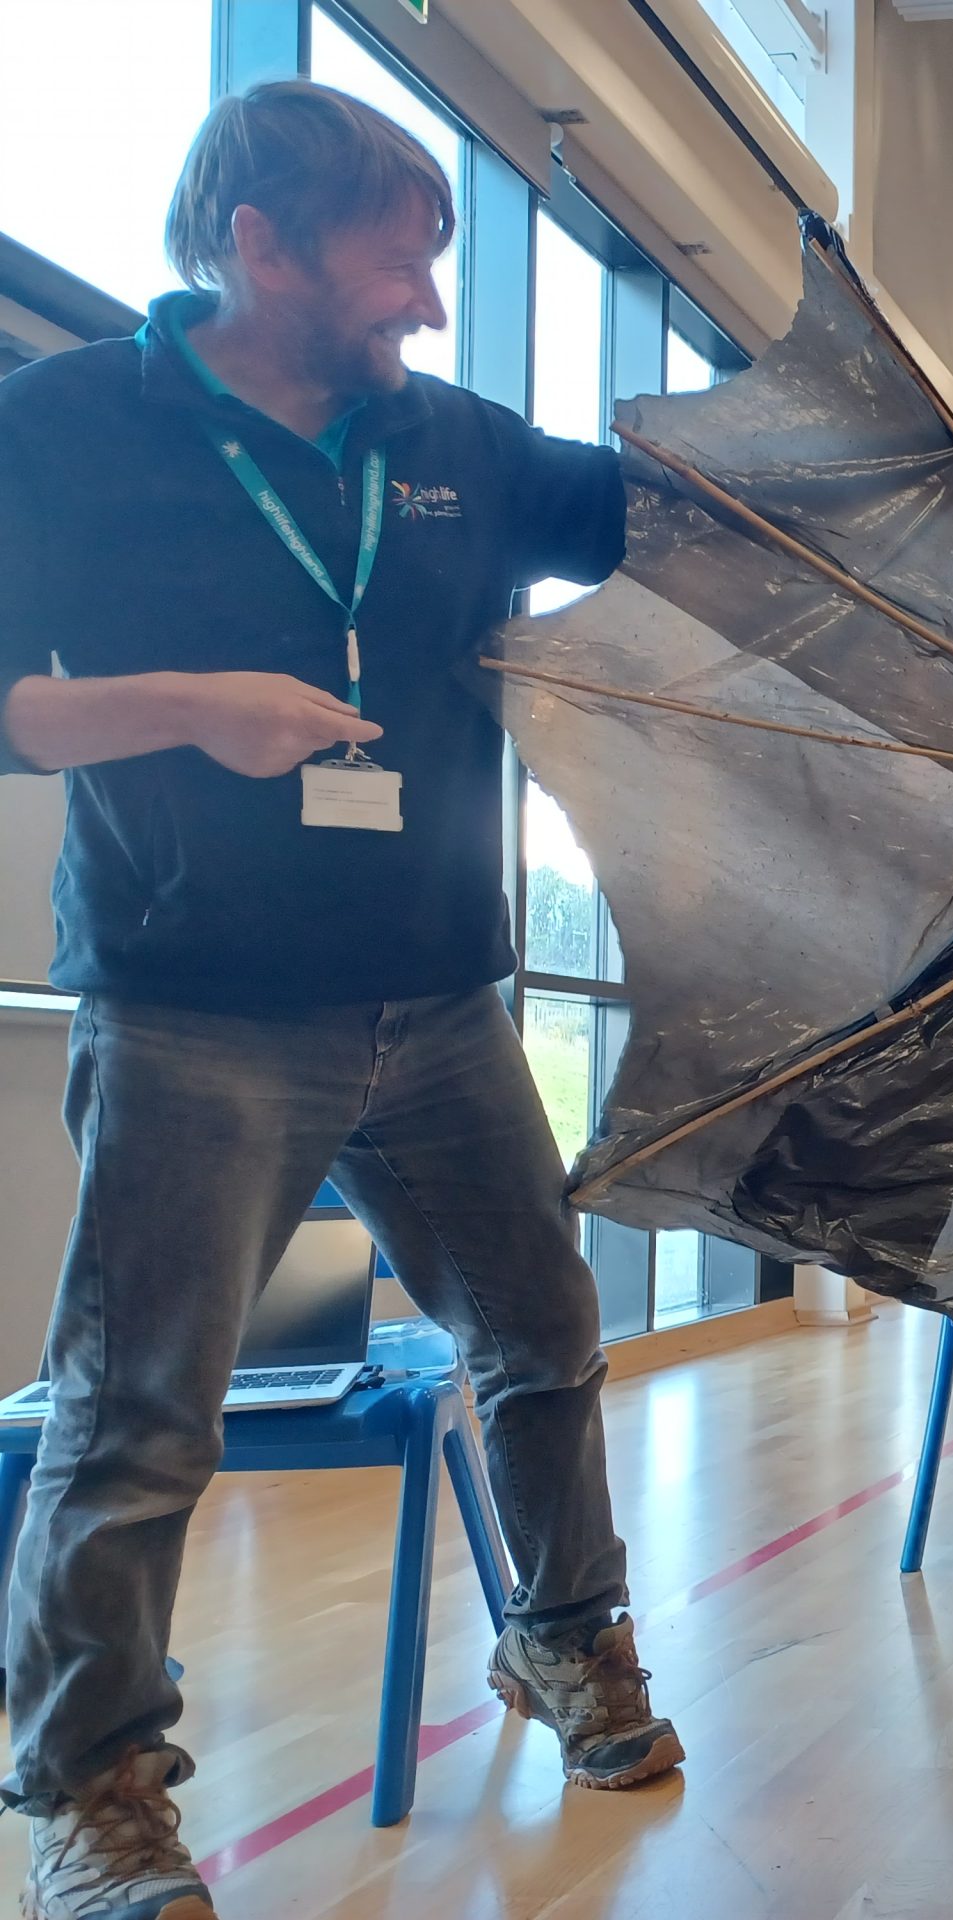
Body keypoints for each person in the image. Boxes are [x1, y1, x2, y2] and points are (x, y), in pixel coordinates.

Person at [0, 82, 683, 1920]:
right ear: (258, 245)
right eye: (397, 265)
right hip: (192, 1014)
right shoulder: (62, 426)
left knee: (543, 1334)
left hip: (441, 1008)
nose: (431, 307)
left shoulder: (449, 439)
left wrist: (864, 464)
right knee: (138, 1416)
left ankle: (565, 1640)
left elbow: (668, 511)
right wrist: (191, 706)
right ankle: (90, 1792)